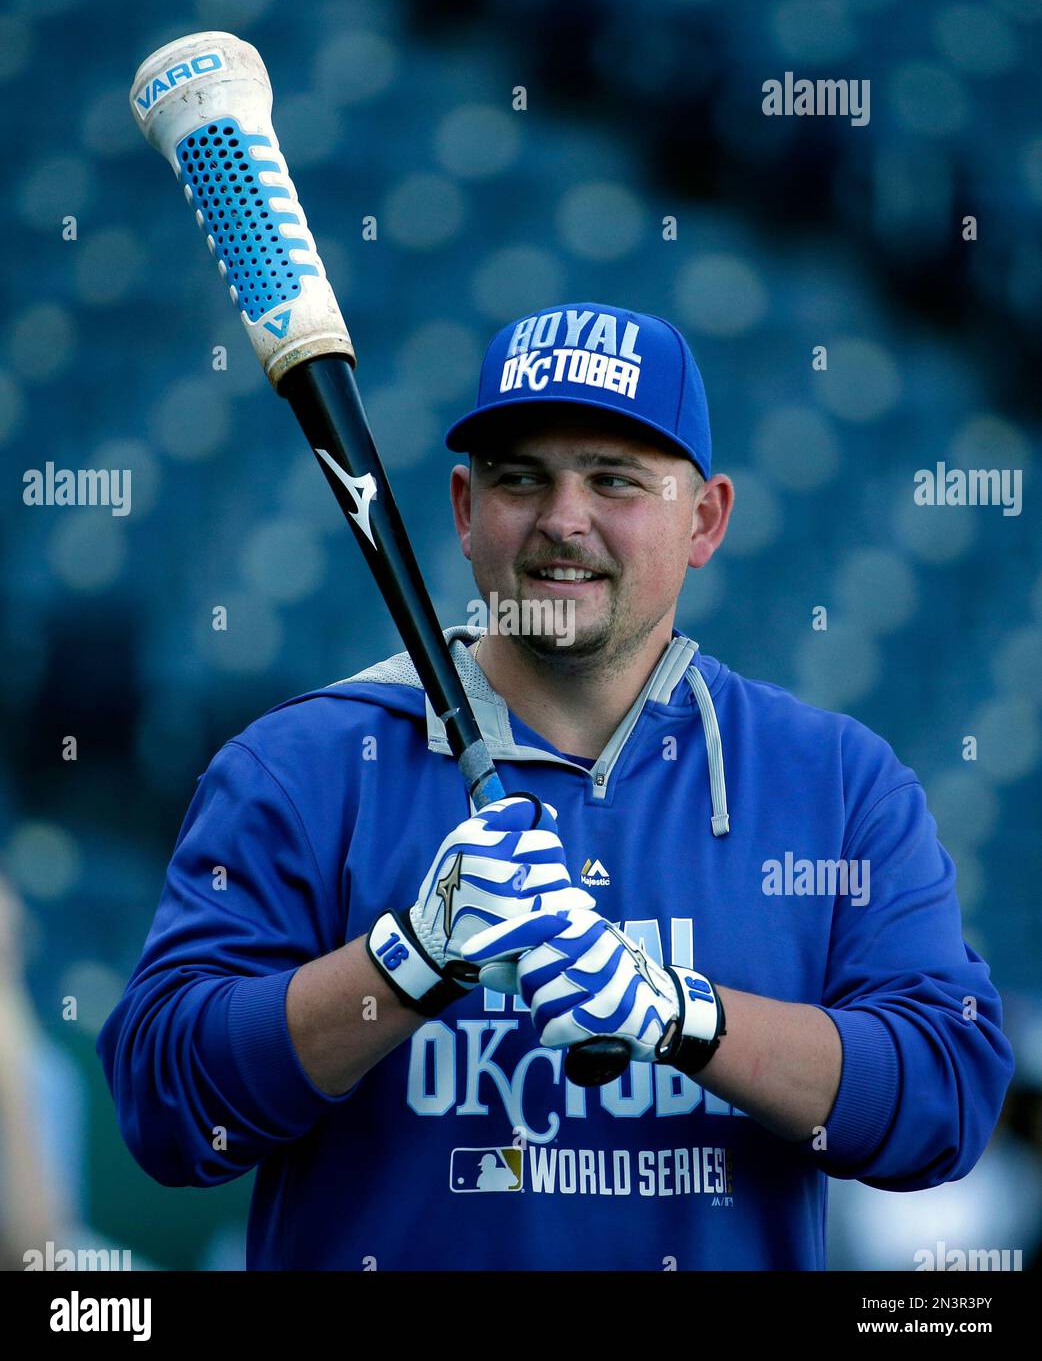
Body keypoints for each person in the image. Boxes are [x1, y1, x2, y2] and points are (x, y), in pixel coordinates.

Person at [97, 302, 1014, 1271]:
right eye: (521, 477)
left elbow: (945, 1096)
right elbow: (166, 1106)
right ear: (461, 509)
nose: (562, 518)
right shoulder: (303, 766)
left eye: (613, 480)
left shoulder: (833, 783)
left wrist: (681, 1016)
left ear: (704, 520)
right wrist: (406, 963)